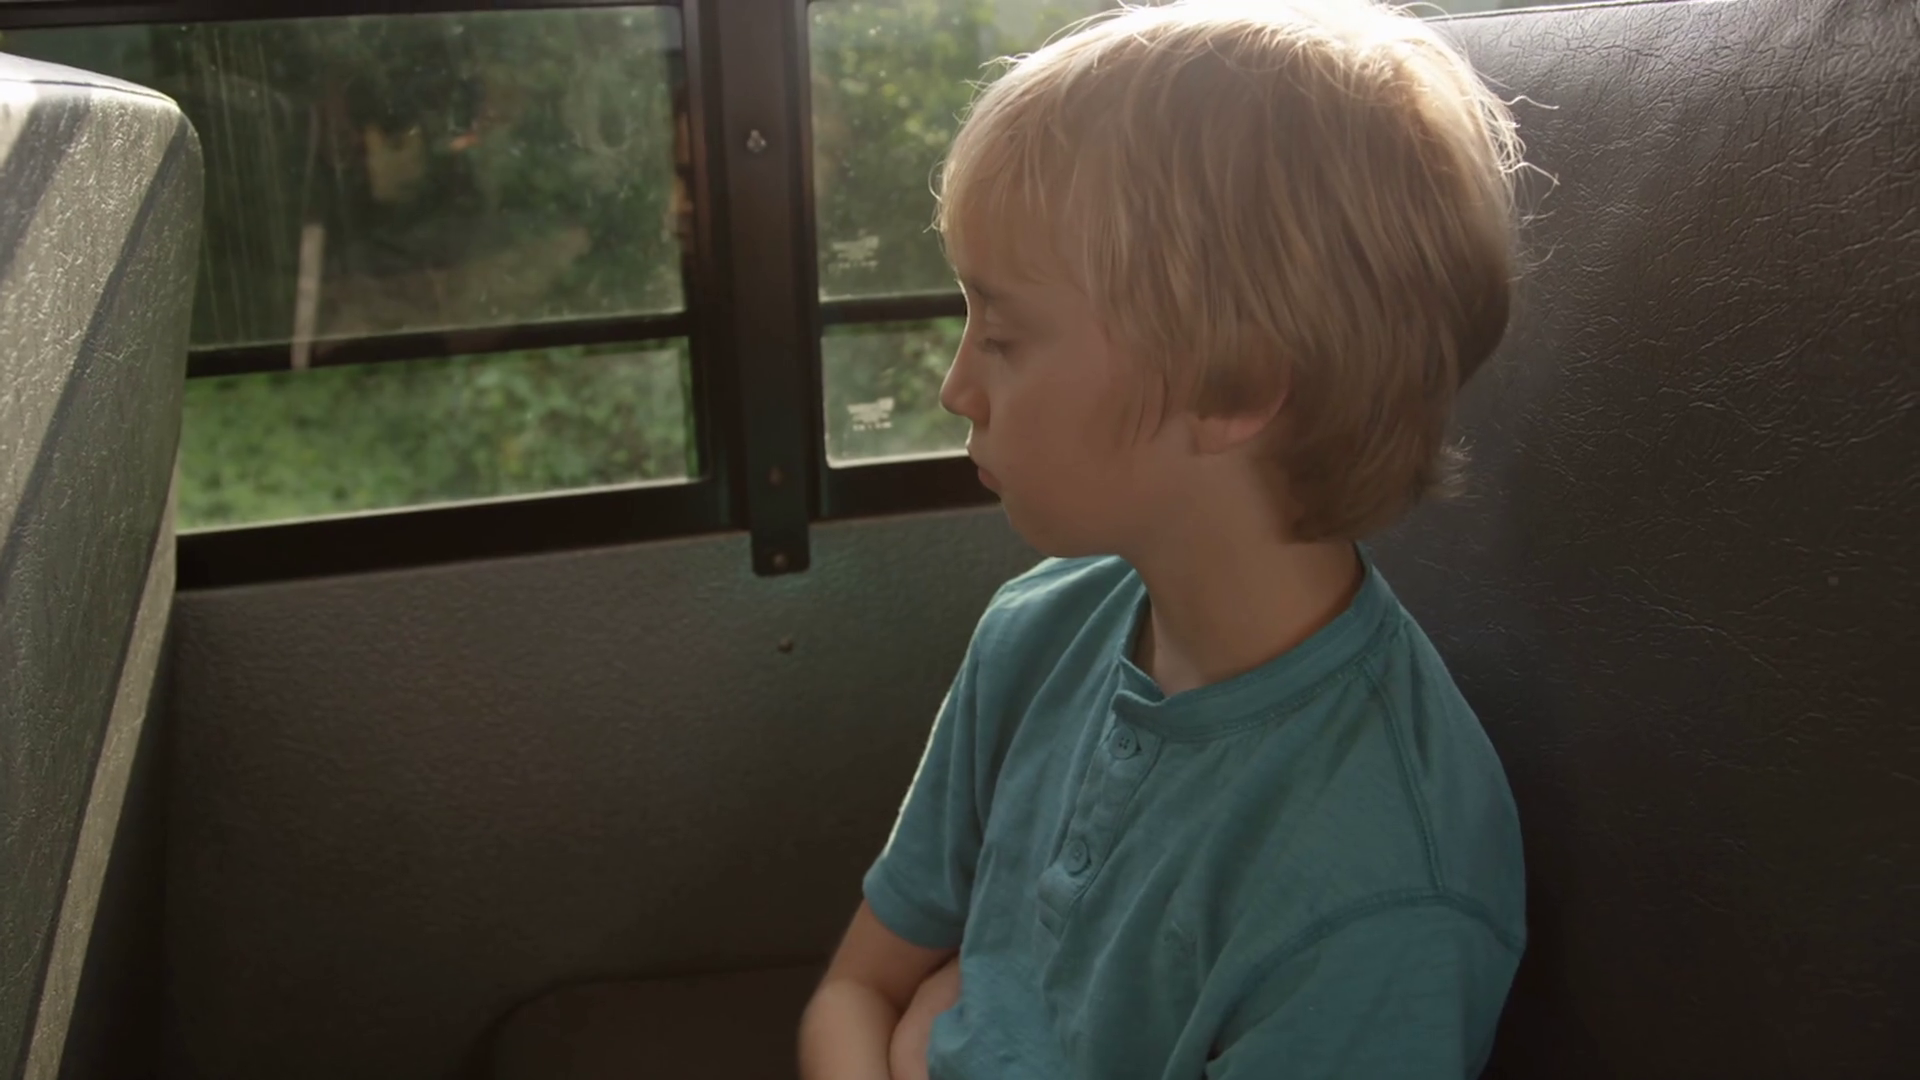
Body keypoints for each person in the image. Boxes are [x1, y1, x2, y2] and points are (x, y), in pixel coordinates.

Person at [798, 1, 1528, 1076]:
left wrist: (919, 1034)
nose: (958, 386)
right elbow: (858, 989)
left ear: (1232, 387)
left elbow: (897, 1009)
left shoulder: (1377, 890)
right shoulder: (1039, 630)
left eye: (1001, 335)